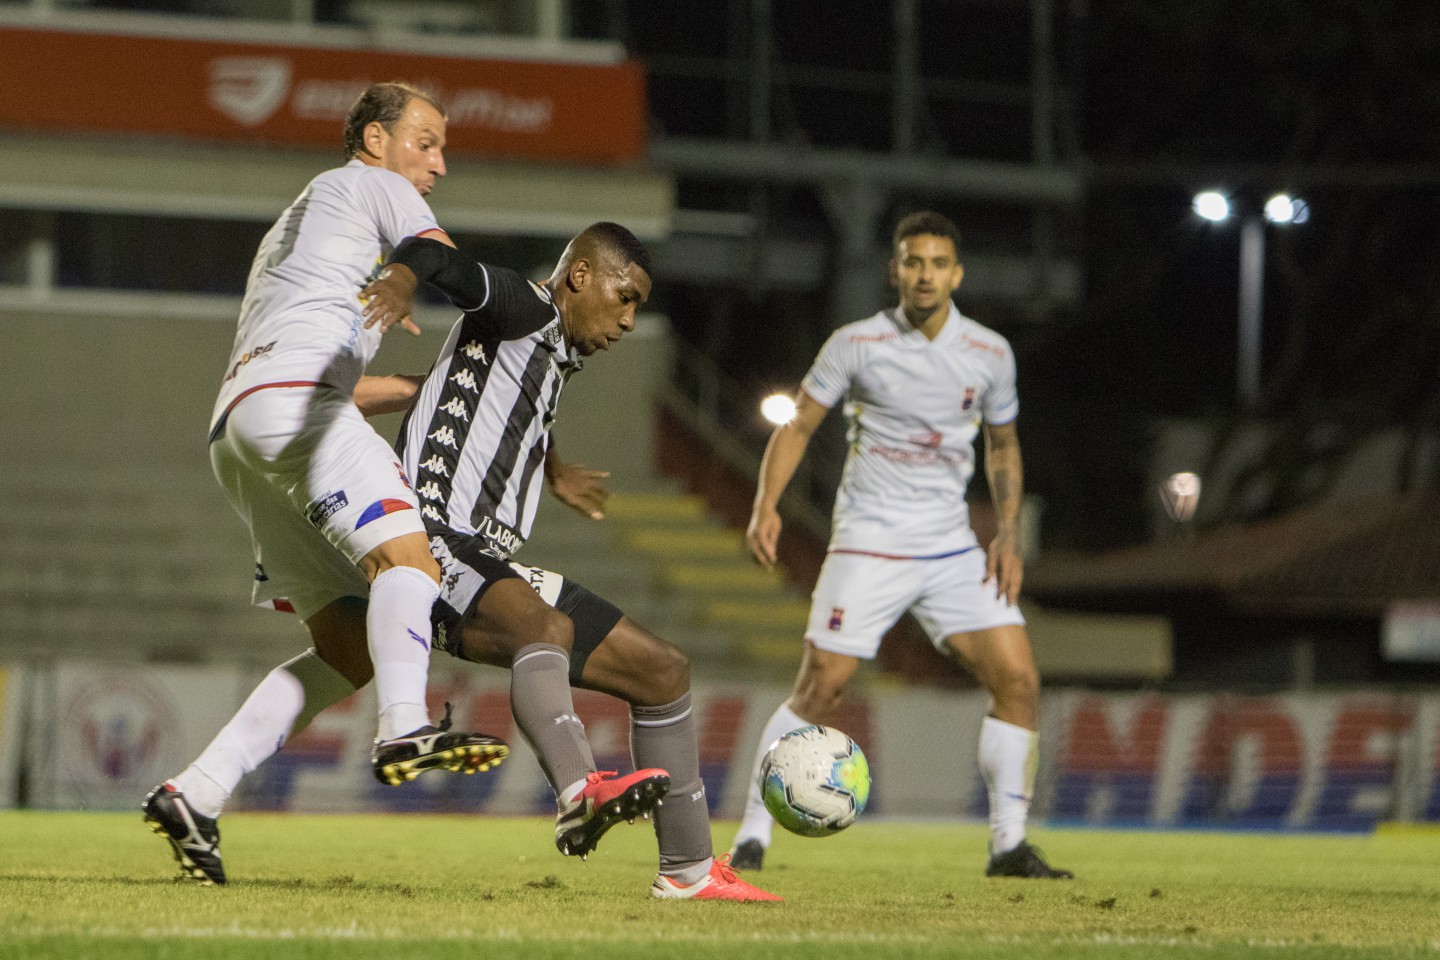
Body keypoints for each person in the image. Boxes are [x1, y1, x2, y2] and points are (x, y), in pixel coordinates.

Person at [147, 222, 779, 901]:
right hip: (433, 538)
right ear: (579, 278)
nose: (628, 320)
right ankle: (578, 791)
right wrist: (401, 278)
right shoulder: (522, 308)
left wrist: (553, 467)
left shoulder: (548, 354)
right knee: (543, 629)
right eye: (624, 298)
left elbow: (510, 411)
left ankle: (687, 870)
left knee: (662, 670)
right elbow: (438, 260)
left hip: (478, 554)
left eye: (637, 308)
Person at [142, 82, 505, 885]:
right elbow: (438, 253)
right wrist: (415, 278)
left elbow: (313, 367)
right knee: (410, 562)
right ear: (375, 140)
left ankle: (195, 792)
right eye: (425, 142)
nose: (438, 164)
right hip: (295, 414)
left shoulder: (301, 224)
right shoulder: (375, 186)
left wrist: (413, 387)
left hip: (242, 429)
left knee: (346, 647)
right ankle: (405, 728)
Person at [727, 211, 1073, 880]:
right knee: (822, 687)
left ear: (957, 273)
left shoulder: (990, 354)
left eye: (938, 264)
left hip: (950, 550)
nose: (925, 275)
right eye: (913, 262)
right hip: (868, 543)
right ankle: (751, 836)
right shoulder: (855, 343)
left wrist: (1007, 533)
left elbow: (1002, 446)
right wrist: (765, 505)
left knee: (1019, 680)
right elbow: (798, 424)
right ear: (895, 270)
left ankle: (1008, 846)